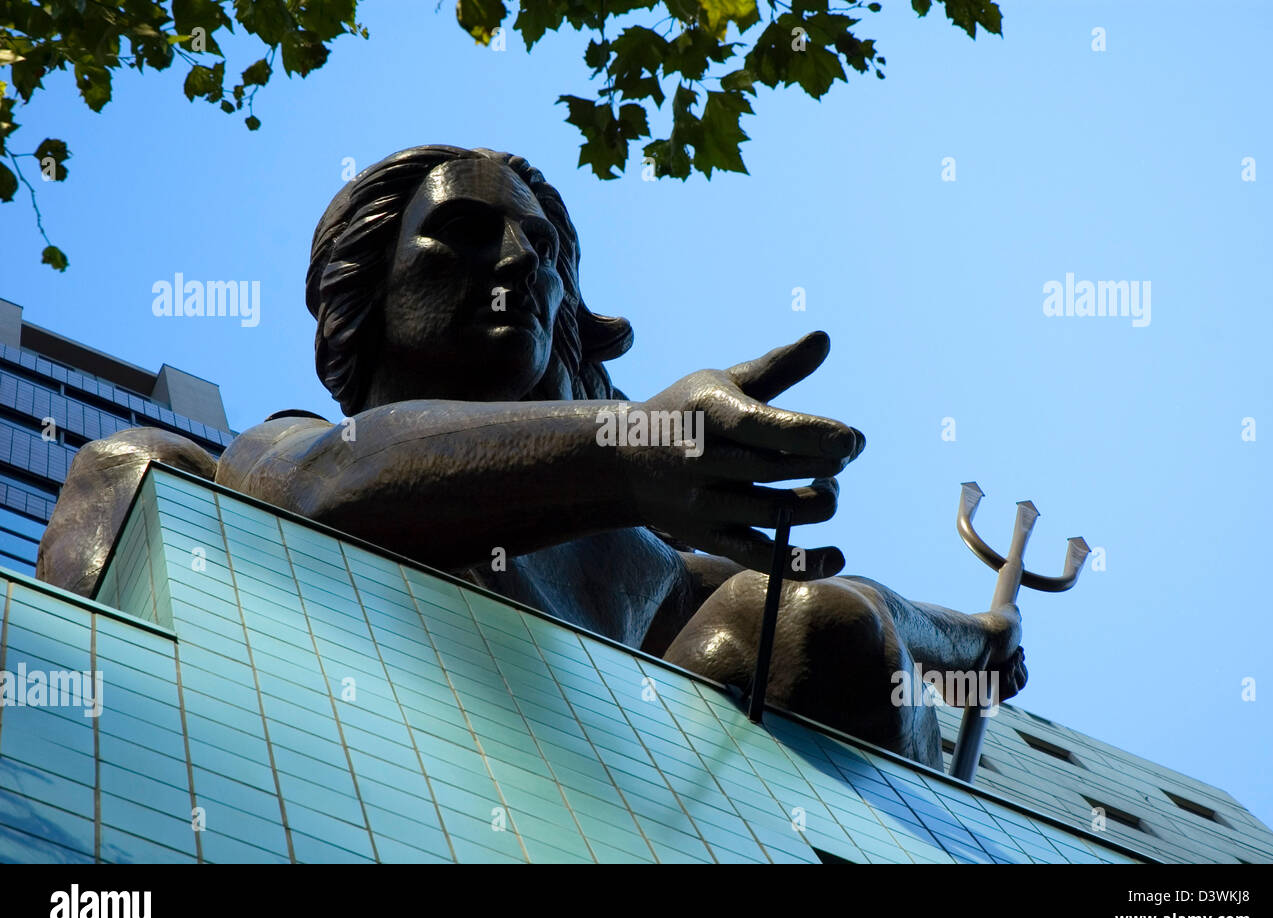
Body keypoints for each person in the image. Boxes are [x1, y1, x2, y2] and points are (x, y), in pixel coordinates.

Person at [39, 145, 1025, 768]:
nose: (518, 262)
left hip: (635, 807)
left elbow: (836, 608)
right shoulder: (294, 447)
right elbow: (312, 483)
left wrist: (971, 648)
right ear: (369, 291)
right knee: (136, 463)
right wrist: (630, 446)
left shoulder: (644, 555)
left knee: (812, 618)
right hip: (301, 768)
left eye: (541, 247)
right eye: (462, 236)